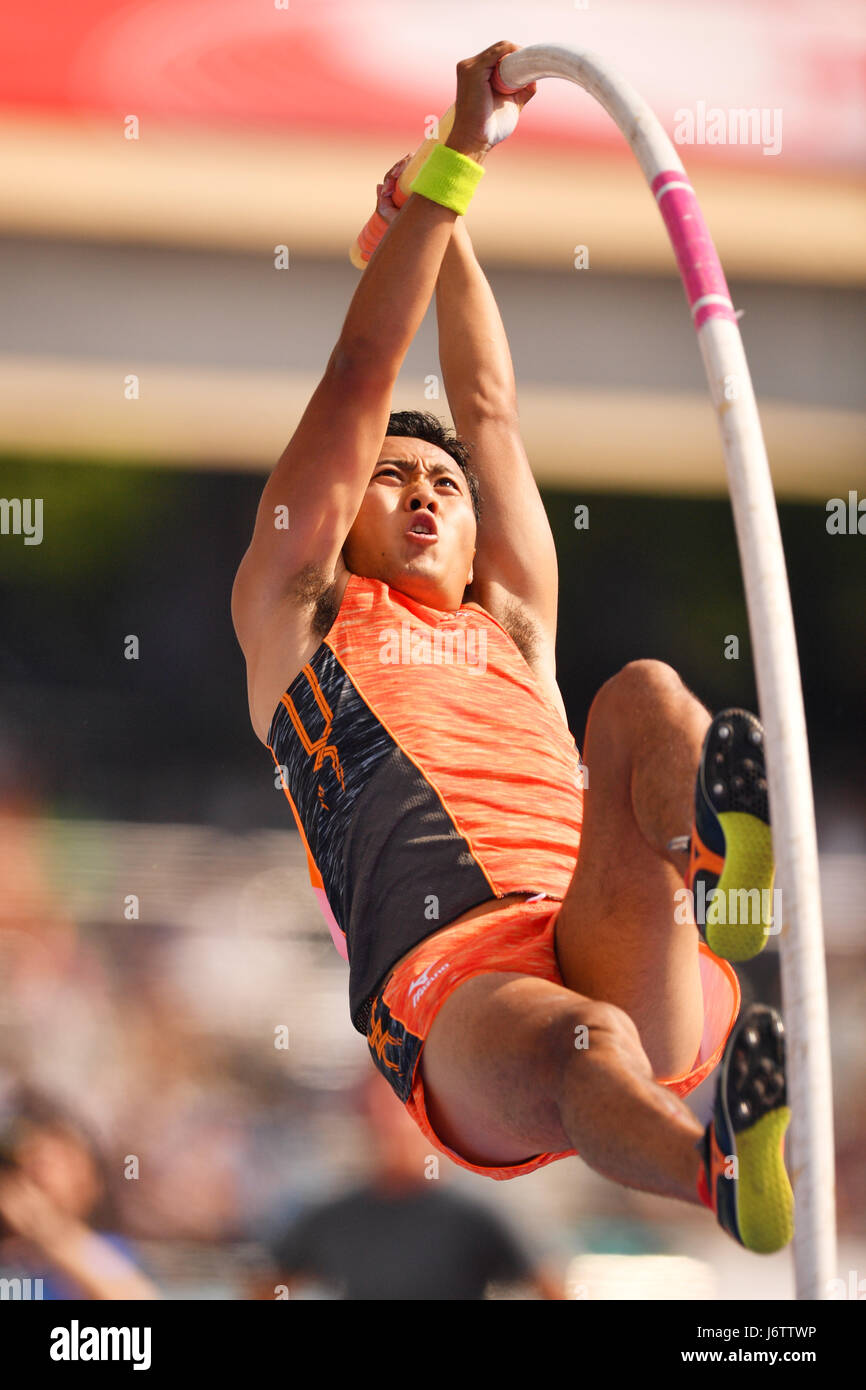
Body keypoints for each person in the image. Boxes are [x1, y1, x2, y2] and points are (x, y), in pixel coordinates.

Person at [231, 40, 793, 1256]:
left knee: (644, 696)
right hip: (457, 983)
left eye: (444, 483)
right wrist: (451, 161)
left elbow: (487, 412)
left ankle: (724, 872)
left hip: (607, 918)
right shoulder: (297, 616)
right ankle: (719, 1169)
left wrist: (433, 205)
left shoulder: (513, 628)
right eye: (393, 477)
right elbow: (363, 369)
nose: (427, 494)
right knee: (582, 1046)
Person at [260, 1070, 562, 1299]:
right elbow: (267, 1285)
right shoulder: (333, 1217)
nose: (392, 1127)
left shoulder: (481, 1213)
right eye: (380, 1113)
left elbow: (552, 1286)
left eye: (403, 1111)